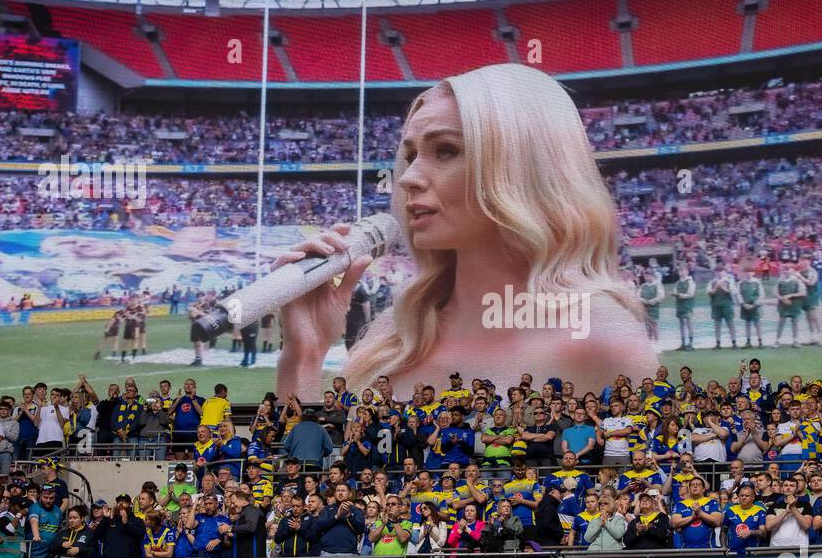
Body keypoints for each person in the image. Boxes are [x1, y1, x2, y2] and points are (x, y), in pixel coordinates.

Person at [275, 63, 656, 400]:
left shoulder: (604, 340)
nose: (408, 178)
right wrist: (303, 356)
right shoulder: (395, 332)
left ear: (523, 167)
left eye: (446, 150)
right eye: (411, 155)